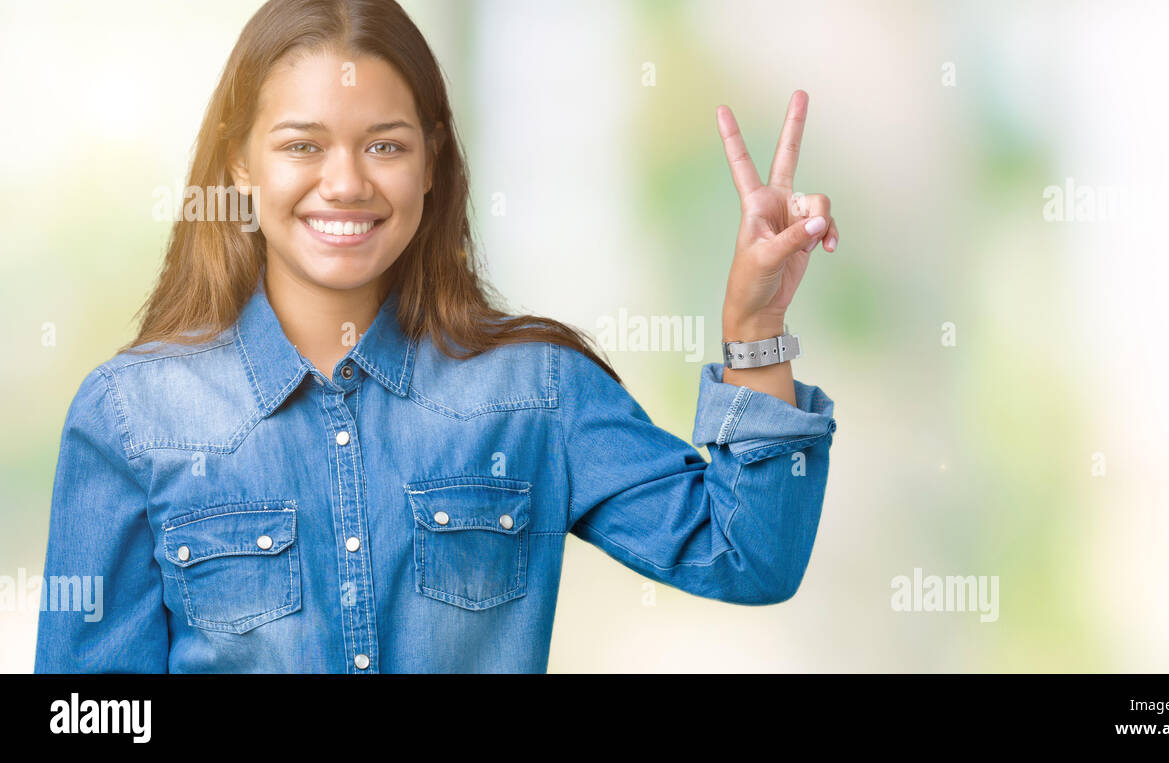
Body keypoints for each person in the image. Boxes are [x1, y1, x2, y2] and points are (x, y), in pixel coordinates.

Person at [34, 0, 838, 673]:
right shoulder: (131, 416)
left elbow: (749, 556)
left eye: (385, 144)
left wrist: (756, 328)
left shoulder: (533, 393)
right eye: (302, 145)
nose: (346, 181)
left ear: (430, 163)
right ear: (240, 165)